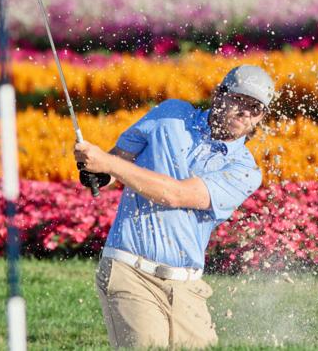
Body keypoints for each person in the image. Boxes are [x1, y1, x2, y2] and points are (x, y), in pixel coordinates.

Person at [73, 64, 276, 349]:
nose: (245, 112)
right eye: (240, 100)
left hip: (188, 288)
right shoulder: (171, 114)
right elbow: (120, 159)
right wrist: (97, 170)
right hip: (130, 271)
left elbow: (177, 195)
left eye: (255, 108)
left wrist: (108, 164)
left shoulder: (244, 170)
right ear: (220, 94)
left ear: (259, 118)